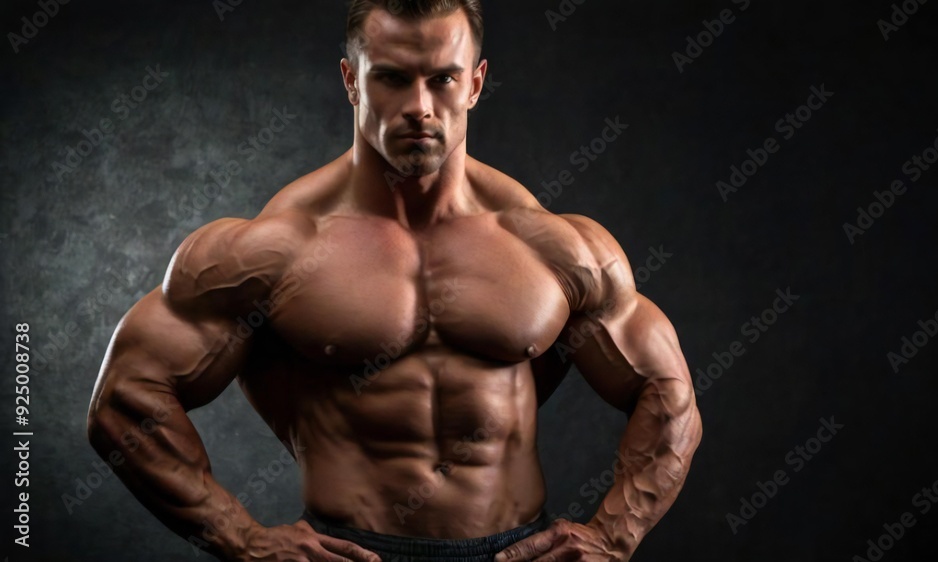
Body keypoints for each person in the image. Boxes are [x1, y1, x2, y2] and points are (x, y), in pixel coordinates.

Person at [86, 1, 703, 560]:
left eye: (443, 78)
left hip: (515, 549)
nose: (419, 106)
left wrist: (616, 537)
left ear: (477, 83)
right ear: (351, 79)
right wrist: (243, 540)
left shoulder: (552, 246)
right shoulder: (277, 246)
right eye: (391, 77)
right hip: (350, 551)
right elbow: (125, 400)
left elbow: (668, 392)